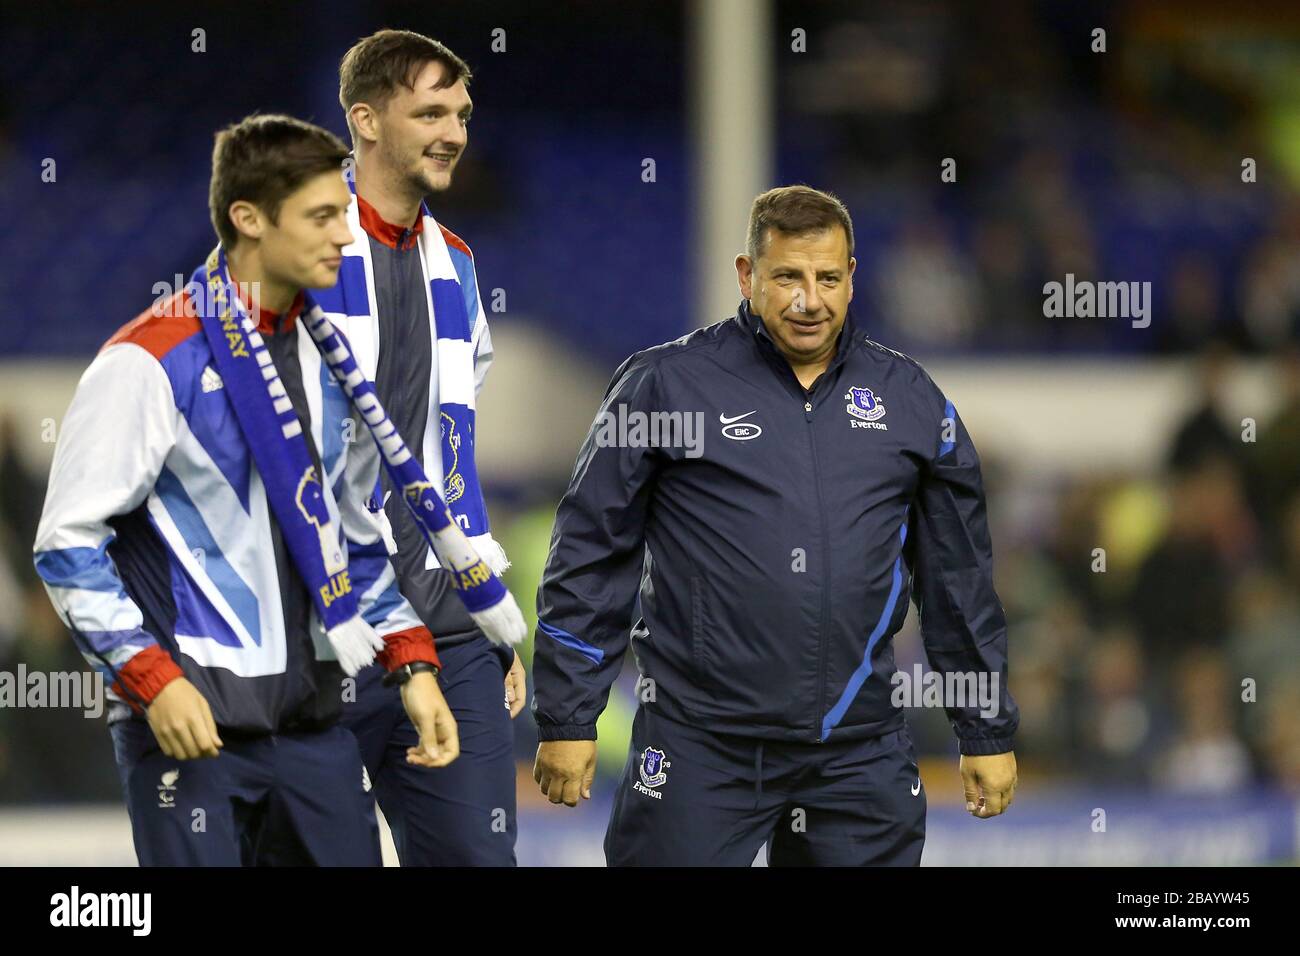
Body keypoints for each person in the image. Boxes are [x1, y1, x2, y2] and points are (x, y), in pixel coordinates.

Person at [532, 185, 1019, 866]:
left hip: (858, 753)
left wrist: (985, 729)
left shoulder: (910, 401)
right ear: (747, 275)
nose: (808, 299)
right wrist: (568, 717)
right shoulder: (664, 387)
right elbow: (589, 552)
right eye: (787, 275)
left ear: (853, 279)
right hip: (701, 746)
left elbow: (957, 579)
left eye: (827, 278)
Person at [32, 114, 457, 866]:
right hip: (191, 733)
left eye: (346, 215)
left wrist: (411, 664)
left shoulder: (332, 361)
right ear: (248, 218)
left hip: (316, 735)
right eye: (323, 217)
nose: (346, 236)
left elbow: (347, 536)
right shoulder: (149, 359)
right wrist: (151, 680)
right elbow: (67, 544)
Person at [327, 29, 524, 866]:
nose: (455, 132)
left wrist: (495, 621)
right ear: (366, 120)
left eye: (463, 113)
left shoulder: (461, 265)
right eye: (431, 111)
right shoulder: (291, 250)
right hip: (321, 636)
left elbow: (450, 452)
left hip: (449, 631)